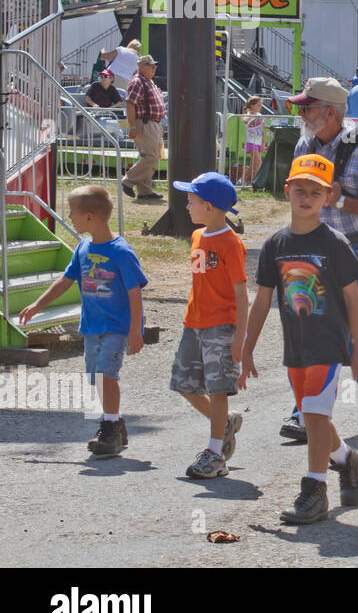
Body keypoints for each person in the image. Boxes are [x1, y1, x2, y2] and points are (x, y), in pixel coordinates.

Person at [241, 154, 358, 525]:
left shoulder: (335, 243)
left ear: (329, 196)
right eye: (300, 189)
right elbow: (263, 299)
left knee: (314, 415)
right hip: (294, 349)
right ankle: (348, 459)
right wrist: (247, 347)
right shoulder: (274, 245)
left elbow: (352, 301)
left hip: (328, 347)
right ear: (287, 192)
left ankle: (315, 490)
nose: (306, 197)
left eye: (315, 192)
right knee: (316, 419)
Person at [285, 77, 358, 440]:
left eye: (308, 106)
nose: (301, 112)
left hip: (355, 249)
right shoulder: (305, 143)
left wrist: (343, 200)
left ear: (330, 113)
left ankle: (306, 412)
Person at [18, 186, 146, 457]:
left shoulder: (121, 251)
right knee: (96, 378)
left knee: (105, 374)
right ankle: (115, 424)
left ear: (90, 216)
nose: (70, 216)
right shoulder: (83, 247)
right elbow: (66, 280)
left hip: (116, 327)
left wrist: (135, 330)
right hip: (91, 326)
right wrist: (39, 304)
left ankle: (110, 425)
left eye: (73, 212)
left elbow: (136, 293)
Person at [169, 172, 247, 479]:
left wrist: (241, 335)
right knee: (184, 385)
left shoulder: (231, 244)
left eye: (191, 201)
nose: (187, 206)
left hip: (221, 327)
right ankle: (225, 423)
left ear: (210, 207)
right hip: (194, 323)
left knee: (218, 390)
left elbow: (241, 292)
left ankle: (215, 454)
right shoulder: (197, 236)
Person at [122, 54, 165, 200]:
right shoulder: (137, 82)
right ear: (142, 67)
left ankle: (145, 191)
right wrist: (133, 127)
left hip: (153, 124)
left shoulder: (147, 81)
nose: (154, 68)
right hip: (145, 123)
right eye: (151, 66)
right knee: (150, 156)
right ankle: (128, 180)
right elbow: (130, 104)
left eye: (154, 66)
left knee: (150, 156)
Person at [242, 95, 265, 186]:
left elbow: (262, 131)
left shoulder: (260, 116)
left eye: (261, 105)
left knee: (253, 164)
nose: (260, 107)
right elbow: (245, 120)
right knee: (259, 162)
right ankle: (256, 182)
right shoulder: (248, 114)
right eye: (258, 105)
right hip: (251, 142)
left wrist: (263, 144)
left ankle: (244, 180)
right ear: (252, 106)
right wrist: (248, 111)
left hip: (258, 141)